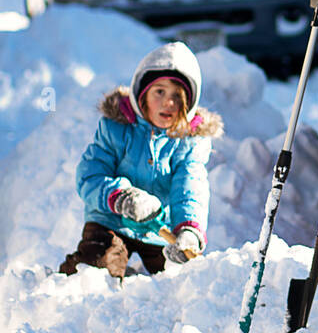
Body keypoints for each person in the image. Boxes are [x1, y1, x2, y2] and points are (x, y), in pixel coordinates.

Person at [59, 42, 223, 278]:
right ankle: (64, 283)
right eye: (160, 92)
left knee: (178, 283)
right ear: (142, 95)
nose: (169, 103)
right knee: (98, 265)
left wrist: (188, 230)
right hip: (110, 222)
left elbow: (190, 189)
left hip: (159, 230)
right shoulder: (116, 128)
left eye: (178, 95)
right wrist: (121, 197)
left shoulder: (189, 143)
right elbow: (89, 177)